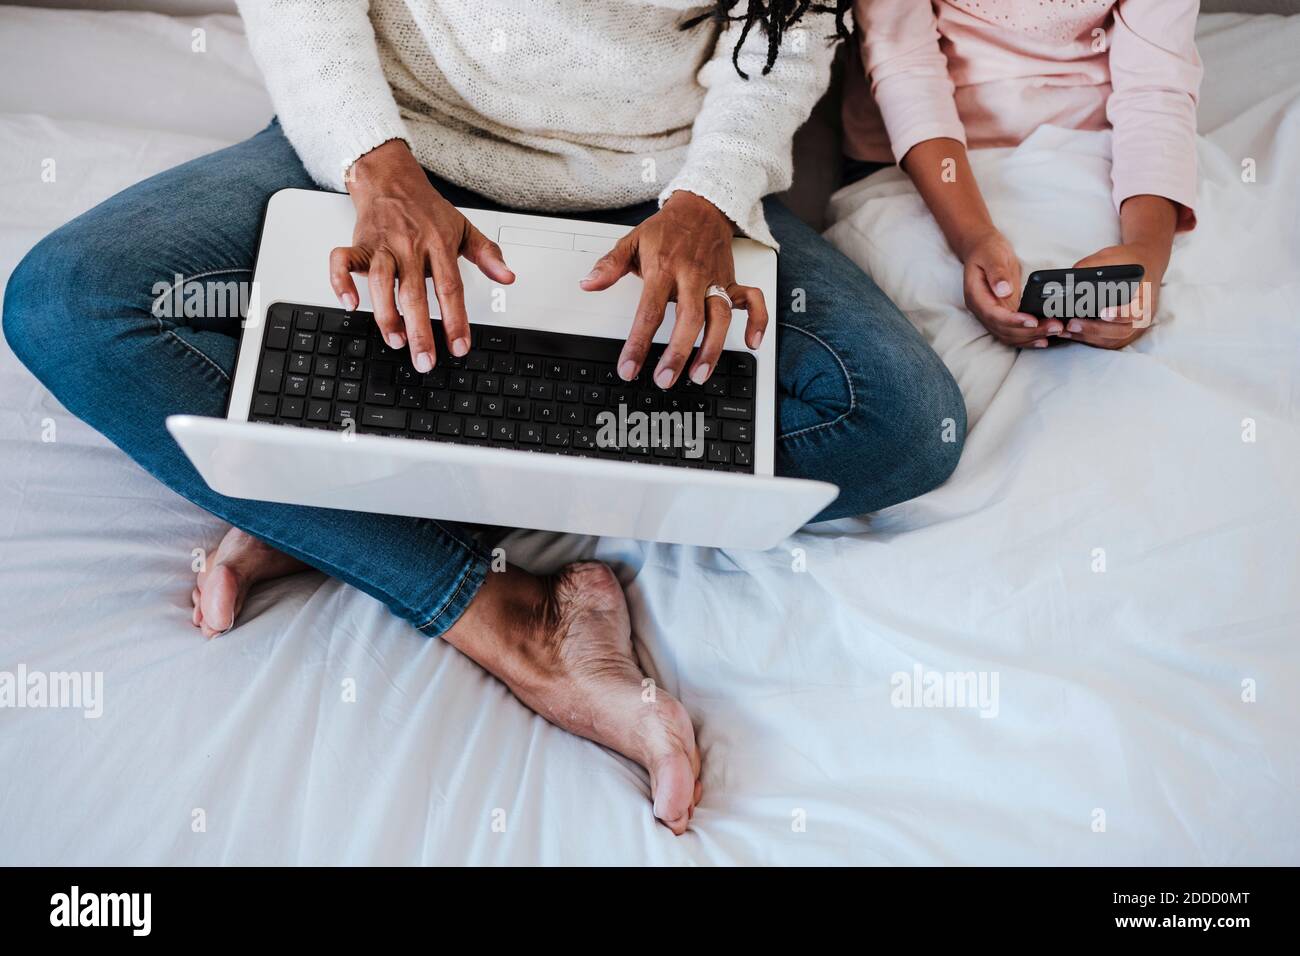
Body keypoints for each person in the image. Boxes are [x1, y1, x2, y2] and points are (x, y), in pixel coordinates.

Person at [2, 0, 965, 834]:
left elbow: (790, 22)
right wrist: (374, 166)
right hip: (391, 150)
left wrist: (709, 198)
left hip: (652, 193)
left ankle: (339, 507)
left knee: (901, 422)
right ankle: (499, 615)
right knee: (70, 303)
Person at [842, 0, 1201, 349]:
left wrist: (1147, 255)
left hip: (1096, 145)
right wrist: (973, 237)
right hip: (928, 158)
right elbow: (907, 72)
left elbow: (1155, 90)